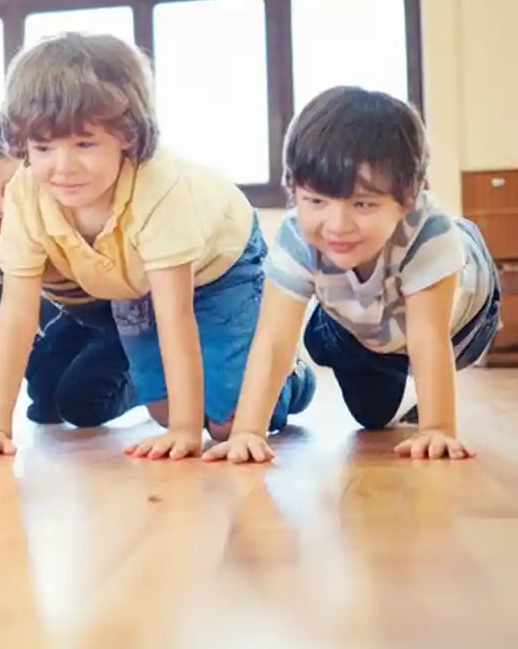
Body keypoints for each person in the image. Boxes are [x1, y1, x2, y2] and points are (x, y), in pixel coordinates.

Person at [0, 32, 316, 460]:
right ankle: (200, 396)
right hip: (130, 279)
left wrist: (185, 433)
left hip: (219, 268)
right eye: (43, 147)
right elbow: (16, 313)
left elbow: (174, 312)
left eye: (84, 143)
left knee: (226, 423)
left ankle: (290, 376)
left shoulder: (159, 187)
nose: (63, 167)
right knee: (163, 409)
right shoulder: (27, 191)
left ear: (127, 134)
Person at [204, 86, 501, 463]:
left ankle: (359, 333)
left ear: (409, 198)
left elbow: (427, 339)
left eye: (362, 204)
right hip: (376, 324)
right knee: (370, 415)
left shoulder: (429, 234)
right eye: (316, 201)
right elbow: (274, 341)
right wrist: (247, 431)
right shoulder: (298, 236)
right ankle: (343, 331)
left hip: (462, 324)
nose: (337, 225)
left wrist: (438, 428)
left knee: (410, 339)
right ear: (293, 190)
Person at [0, 110, 134, 430]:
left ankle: (152, 381)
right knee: (43, 400)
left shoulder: (66, 203)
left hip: (134, 311)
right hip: (83, 315)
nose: (3, 206)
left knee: (80, 403)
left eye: (11, 186)